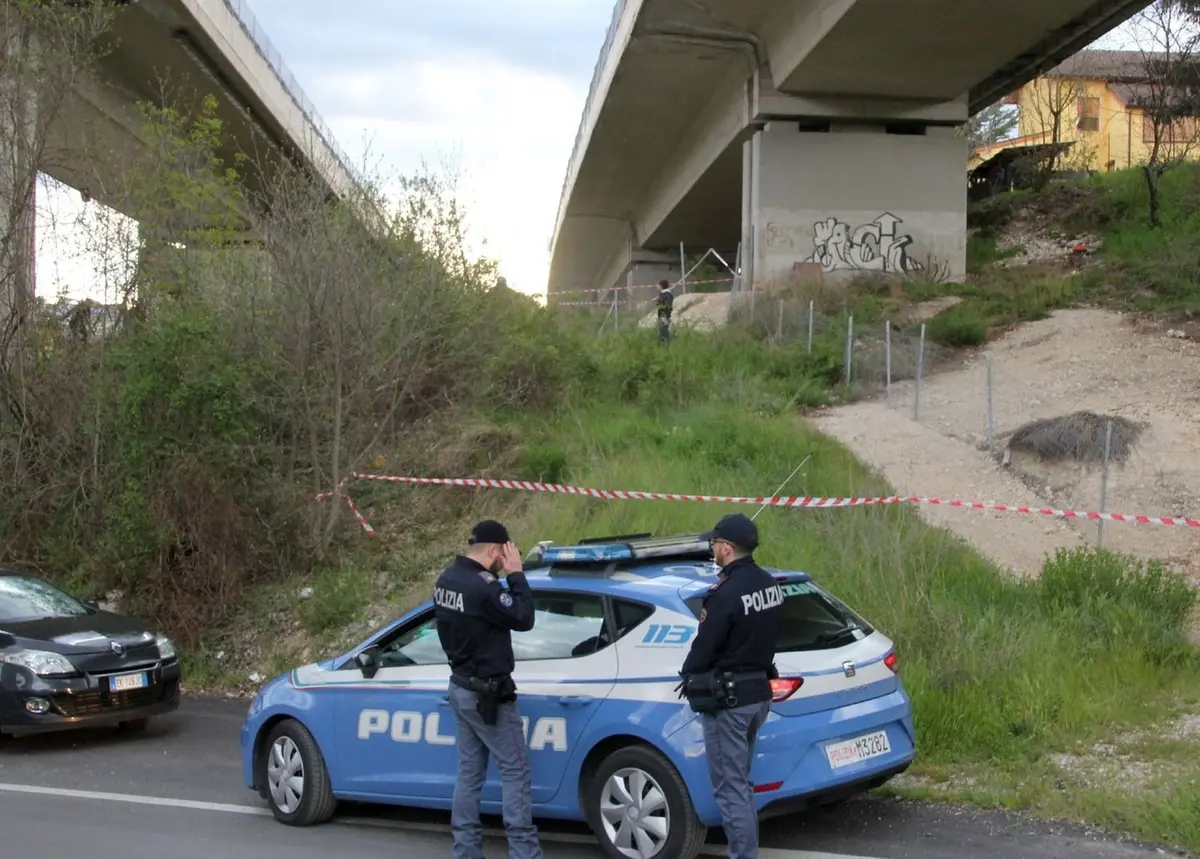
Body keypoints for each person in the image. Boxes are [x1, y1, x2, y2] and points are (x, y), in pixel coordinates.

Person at [434, 520, 542, 859]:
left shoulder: (446, 580)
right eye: (504, 553)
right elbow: (524, 617)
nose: (504, 559)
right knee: (515, 773)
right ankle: (525, 853)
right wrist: (516, 575)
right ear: (495, 550)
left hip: (461, 687)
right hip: (488, 695)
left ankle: (465, 852)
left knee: (469, 775)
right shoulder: (485, 587)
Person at [678, 513, 784, 859]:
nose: (712, 550)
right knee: (741, 784)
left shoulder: (723, 594)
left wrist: (688, 672)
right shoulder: (770, 584)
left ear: (726, 548)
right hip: (759, 695)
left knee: (730, 789)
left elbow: (704, 648)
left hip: (730, 701)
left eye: (714, 545)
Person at [654, 279, 674, 343]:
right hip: (662, 315)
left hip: (664, 315)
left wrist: (666, 314)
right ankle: (664, 344)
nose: (657, 287)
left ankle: (666, 344)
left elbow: (667, 305)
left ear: (661, 286)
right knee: (662, 330)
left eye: (658, 285)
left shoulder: (666, 294)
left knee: (664, 331)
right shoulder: (663, 294)